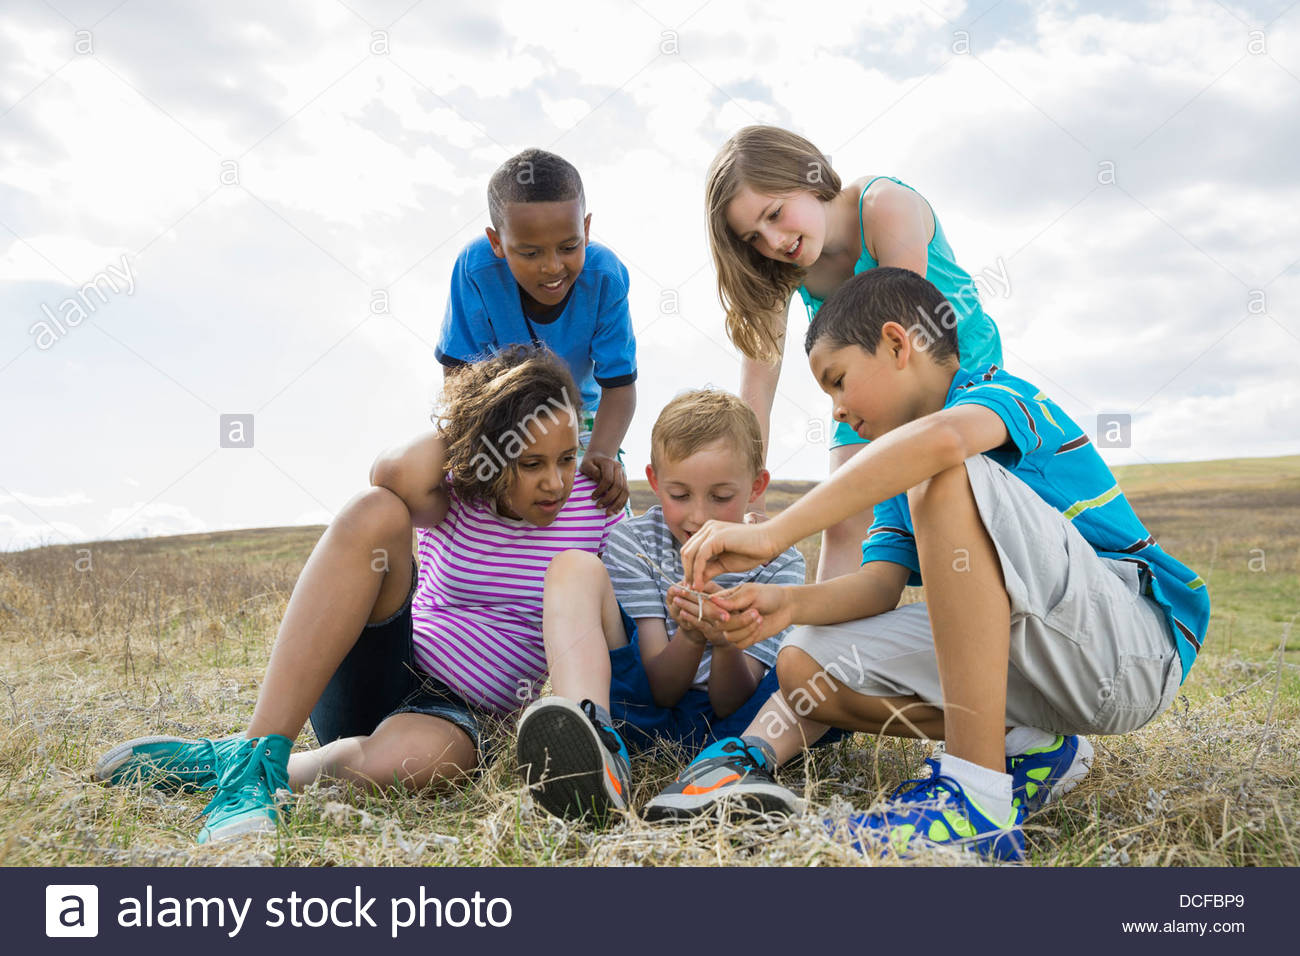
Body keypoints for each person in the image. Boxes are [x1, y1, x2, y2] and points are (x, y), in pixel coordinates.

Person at [677, 268, 1209, 860]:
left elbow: (941, 445)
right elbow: (879, 587)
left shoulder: (997, 398)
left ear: (898, 344)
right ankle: (1027, 747)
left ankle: (975, 801)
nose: (838, 411)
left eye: (839, 381)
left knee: (937, 469)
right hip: (1039, 666)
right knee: (805, 665)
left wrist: (775, 532)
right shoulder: (903, 476)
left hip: (1131, 650)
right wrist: (784, 605)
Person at [93, 346, 626, 843]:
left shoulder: (596, 504)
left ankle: (239, 765)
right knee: (377, 509)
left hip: (460, 718)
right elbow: (391, 472)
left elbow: (613, 608)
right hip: (382, 670)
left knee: (414, 764)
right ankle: (256, 752)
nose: (555, 482)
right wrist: (480, 426)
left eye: (566, 456)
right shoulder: (459, 489)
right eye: (531, 462)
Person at [706, 125, 1003, 580]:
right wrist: (753, 495)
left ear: (807, 176)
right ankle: (824, 648)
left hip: (956, 371)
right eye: (753, 238)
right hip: (864, 381)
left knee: (952, 504)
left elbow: (898, 353)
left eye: (775, 213)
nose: (774, 242)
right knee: (845, 523)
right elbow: (757, 391)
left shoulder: (886, 208)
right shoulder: (778, 266)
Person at [523, 389, 824, 823]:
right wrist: (691, 633)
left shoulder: (781, 564)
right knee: (573, 567)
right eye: (679, 495)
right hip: (643, 714)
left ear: (757, 486)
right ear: (655, 480)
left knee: (830, 646)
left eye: (721, 496)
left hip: (740, 724)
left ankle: (734, 766)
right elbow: (659, 688)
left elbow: (731, 701)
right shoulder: (637, 542)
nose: (698, 517)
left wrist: (724, 642)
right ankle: (593, 737)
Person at [437, 147, 637, 515]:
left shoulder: (605, 277)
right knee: (447, 491)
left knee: (604, 506)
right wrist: (481, 451)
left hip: (580, 419)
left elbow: (620, 387)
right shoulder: (475, 269)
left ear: (586, 229)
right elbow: (459, 377)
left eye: (569, 246)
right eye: (530, 253)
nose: (552, 267)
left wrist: (600, 454)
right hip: (496, 418)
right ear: (497, 242)